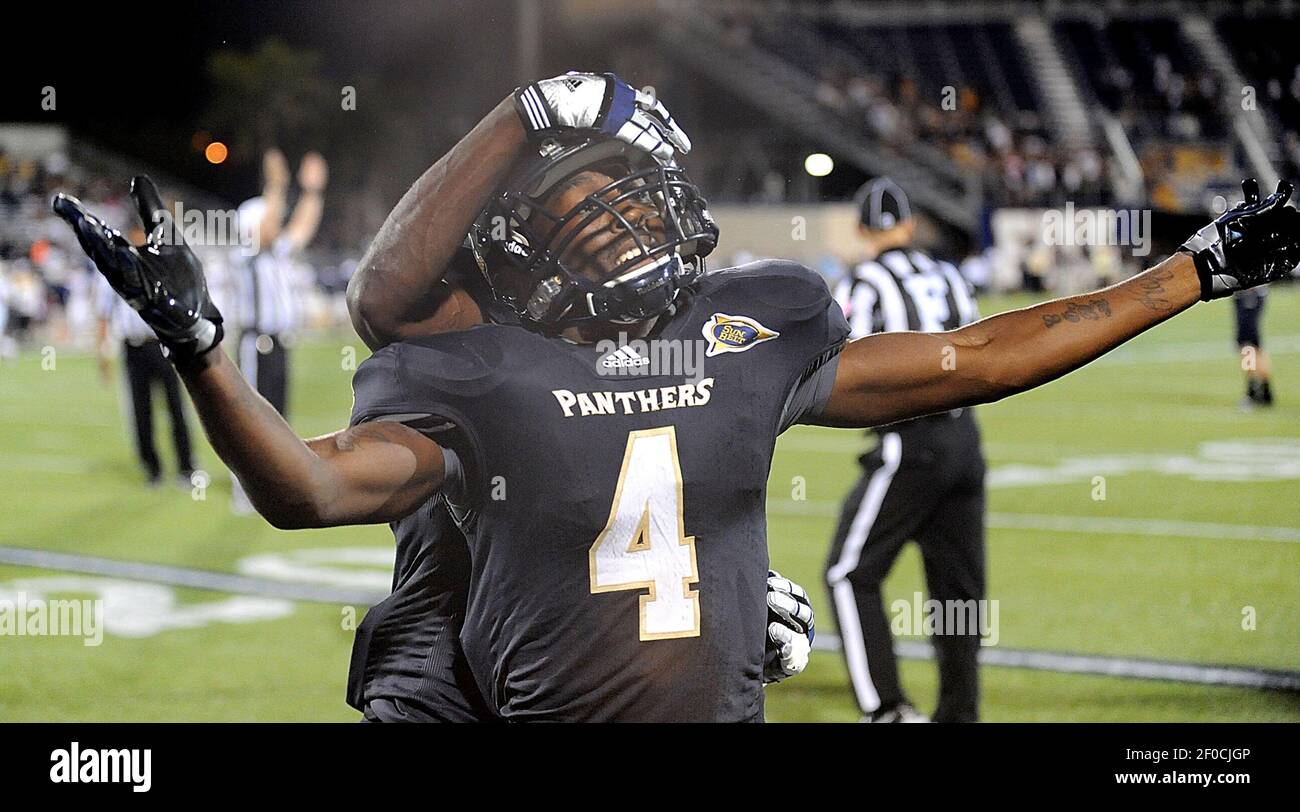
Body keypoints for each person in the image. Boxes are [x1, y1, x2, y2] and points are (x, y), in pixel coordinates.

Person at [56, 71, 1300, 722]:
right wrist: (201, 342)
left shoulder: (751, 326)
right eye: (571, 215)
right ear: (518, 260)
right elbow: (309, 483)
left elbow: (979, 357)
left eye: (618, 198)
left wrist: (1198, 267)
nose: (605, 224)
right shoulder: (479, 366)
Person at [827, 178, 984, 723]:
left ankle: (887, 709)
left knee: (849, 573)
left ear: (862, 230)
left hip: (908, 442)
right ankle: (960, 713)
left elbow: (839, 350)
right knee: (958, 592)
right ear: (911, 225)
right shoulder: (947, 273)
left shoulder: (866, 280)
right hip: (966, 439)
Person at [228, 148, 327, 512]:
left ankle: (274, 485)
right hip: (256, 342)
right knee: (253, 418)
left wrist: (313, 191)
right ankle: (245, 490)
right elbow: (269, 228)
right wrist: (278, 184)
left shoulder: (275, 252)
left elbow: (300, 228)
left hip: (278, 343)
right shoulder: (247, 253)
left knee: (278, 419)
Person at [91, 233, 195, 488]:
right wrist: (103, 354)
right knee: (140, 410)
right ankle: (152, 469)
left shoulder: (160, 265)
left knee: (175, 406)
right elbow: (103, 315)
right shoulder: (112, 270)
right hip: (133, 347)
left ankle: (186, 466)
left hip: (162, 344)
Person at [1233, 288, 1273, 409]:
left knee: (1247, 346)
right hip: (1250, 293)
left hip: (1249, 293)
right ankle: (1266, 391)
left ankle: (1252, 391)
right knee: (1255, 346)